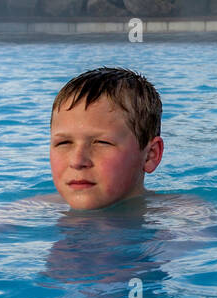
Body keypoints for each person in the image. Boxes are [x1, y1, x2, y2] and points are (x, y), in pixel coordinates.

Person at [47, 66, 166, 210]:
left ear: (150, 156)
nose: (77, 161)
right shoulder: (26, 212)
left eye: (101, 143)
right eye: (63, 142)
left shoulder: (184, 219)